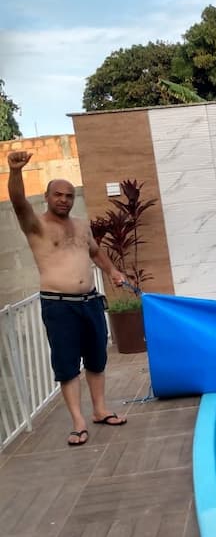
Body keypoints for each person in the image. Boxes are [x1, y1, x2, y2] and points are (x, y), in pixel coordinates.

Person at [7, 150, 128, 444]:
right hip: (59, 306)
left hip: (90, 302)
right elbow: (19, 203)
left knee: (97, 360)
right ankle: (78, 421)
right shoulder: (36, 225)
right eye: (58, 194)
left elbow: (96, 252)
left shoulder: (82, 225)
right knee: (67, 365)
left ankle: (100, 410)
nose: (63, 199)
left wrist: (112, 272)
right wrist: (15, 171)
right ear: (47, 198)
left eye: (69, 195)